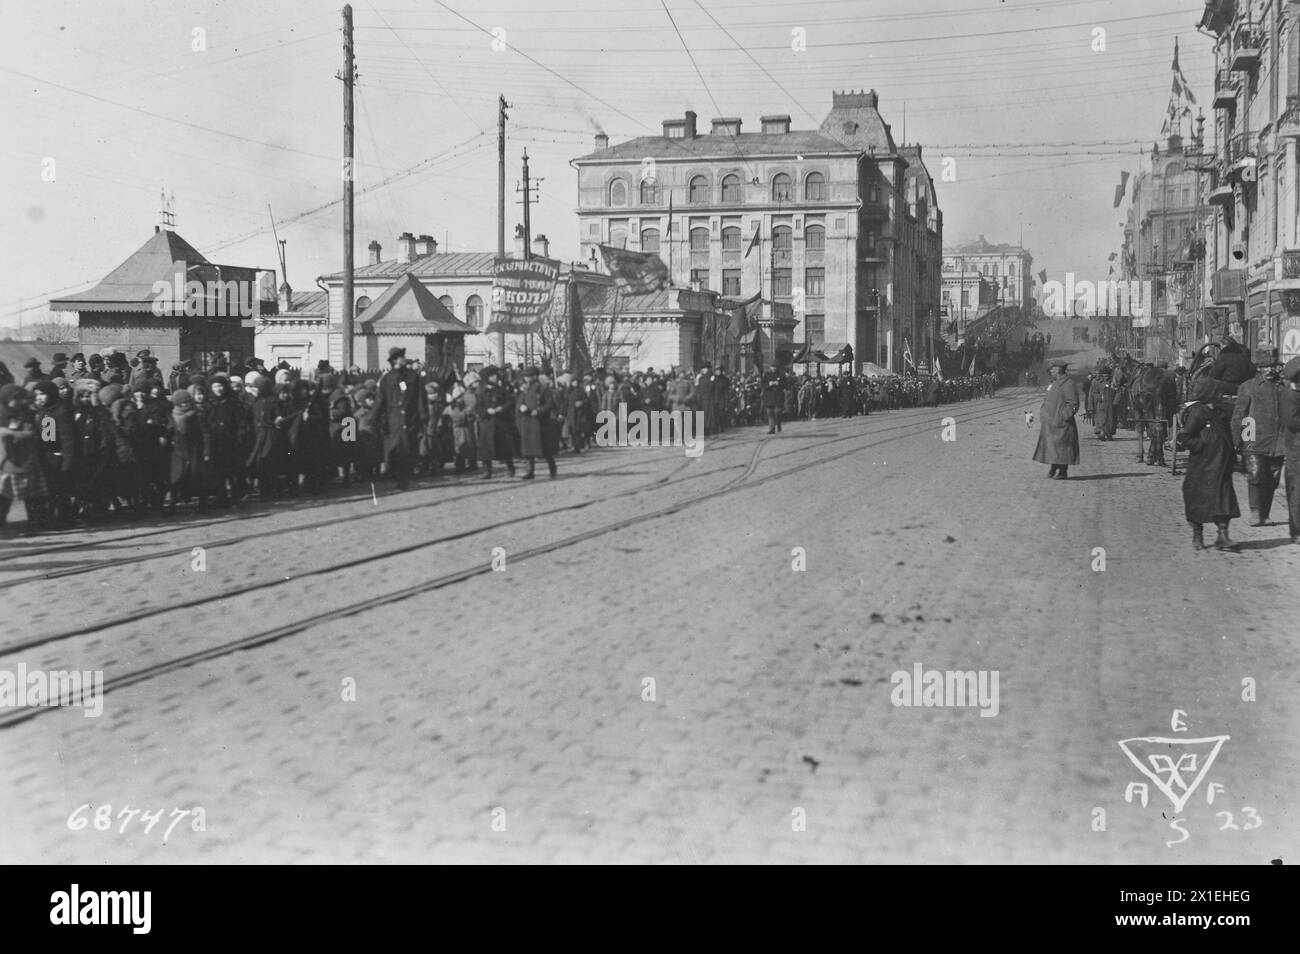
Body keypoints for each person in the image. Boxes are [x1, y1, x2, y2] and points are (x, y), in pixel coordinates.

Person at [1177, 377, 1241, 551]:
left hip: (1221, 464)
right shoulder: (1197, 413)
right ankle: (1198, 534)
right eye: (1217, 392)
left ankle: (1223, 535)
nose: (1220, 394)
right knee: (1198, 499)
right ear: (1210, 394)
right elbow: (1184, 436)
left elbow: (1227, 433)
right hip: (1202, 465)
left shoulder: (1220, 412)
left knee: (1224, 498)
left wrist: (1231, 454)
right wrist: (1201, 445)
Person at [1231, 352, 1287, 526]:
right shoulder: (1248, 387)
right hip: (1254, 439)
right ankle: (1256, 512)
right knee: (1256, 475)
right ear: (1258, 368)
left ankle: (1265, 514)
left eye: (1272, 366)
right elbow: (1238, 415)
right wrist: (1235, 441)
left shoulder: (1283, 386)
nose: (1269, 370)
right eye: (1265, 367)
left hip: (1278, 441)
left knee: (1272, 478)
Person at [371, 347, 427, 491]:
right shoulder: (387, 378)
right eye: (400, 357)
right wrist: (375, 416)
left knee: (407, 449)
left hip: (409, 418)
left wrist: (423, 415)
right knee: (394, 449)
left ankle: (404, 479)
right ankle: (396, 477)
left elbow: (420, 397)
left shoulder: (413, 377)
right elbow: (381, 399)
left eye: (403, 356)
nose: (403, 359)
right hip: (393, 419)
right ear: (394, 360)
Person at [1032, 360, 1081, 479]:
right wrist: (1044, 413)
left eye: (1053, 369)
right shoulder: (1054, 383)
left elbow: (1073, 404)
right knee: (1052, 447)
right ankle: (1053, 467)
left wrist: (1063, 416)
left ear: (1059, 369)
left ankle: (1063, 472)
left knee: (1062, 447)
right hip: (1050, 422)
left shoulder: (1068, 384)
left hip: (1061, 423)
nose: (1051, 371)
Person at [515, 366, 559, 479]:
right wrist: (521, 407)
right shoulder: (525, 390)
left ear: (534, 376)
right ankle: (530, 471)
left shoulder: (543, 389)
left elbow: (550, 404)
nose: (526, 378)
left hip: (540, 423)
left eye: (528, 376)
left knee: (545, 449)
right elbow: (520, 402)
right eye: (525, 376)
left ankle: (552, 468)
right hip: (528, 422)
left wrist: (538, 411)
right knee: (528, 449)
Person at [1279, 356, 1300, 544]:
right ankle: (1296, 531)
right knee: (1297, 490)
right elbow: (1292, 421)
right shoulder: (1291, 395)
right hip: (1296, 450)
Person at [760, 363, 786, 434]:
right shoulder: (766, 375)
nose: (774, 368)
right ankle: (772, 429)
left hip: (778, 397)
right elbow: (762, 385)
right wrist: (769, 384)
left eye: (775, 367)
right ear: (770, 367)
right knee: (770, 413)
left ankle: (778, 423)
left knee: (778, 412)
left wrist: (779, 384)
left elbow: (785, 384)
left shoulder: (781, 375)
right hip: (769, 397)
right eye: (773, 367)